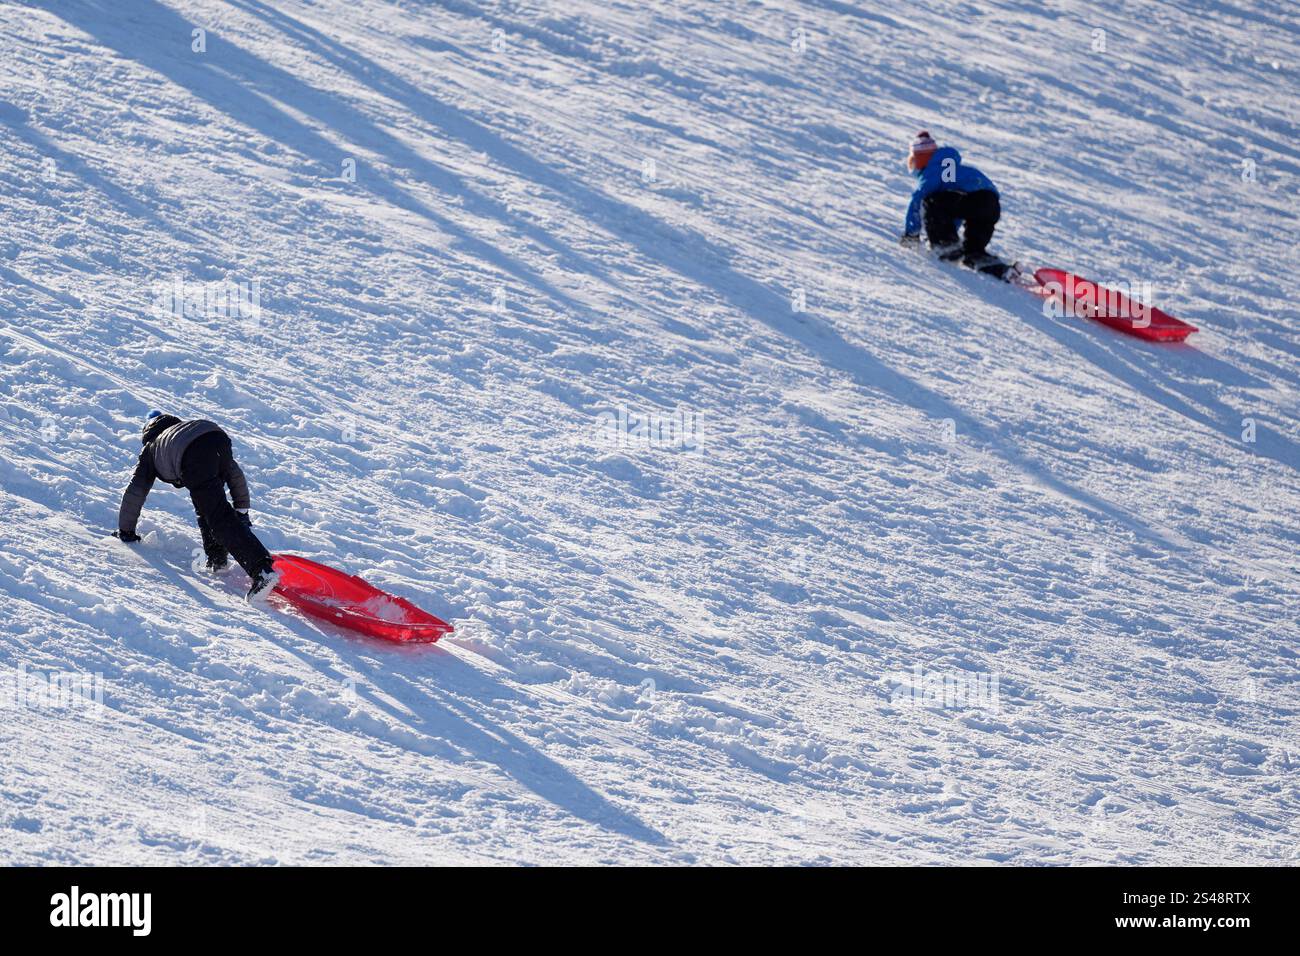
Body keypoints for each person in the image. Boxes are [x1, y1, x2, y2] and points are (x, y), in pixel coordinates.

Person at [114, 411, 280, 602]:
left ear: (148, 430)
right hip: (216, 437)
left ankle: (262, 571)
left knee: (217, 514)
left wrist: (126, 531)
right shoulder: (184, 430)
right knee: (207, 507)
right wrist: (242, 509)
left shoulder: (153, 447)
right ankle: (217, 560)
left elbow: (136, 490)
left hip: (193, 455)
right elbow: (234, 473)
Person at [899, 131, 1003, 270]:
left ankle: (945, 246)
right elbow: (953, 210)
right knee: (972, 242)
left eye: (913, 159)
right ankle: (976, 255)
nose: (912, 164)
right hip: (990, 204)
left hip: (975, 198)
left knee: (930, 201)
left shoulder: (934, 169)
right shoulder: (950, 168)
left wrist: (911, 234)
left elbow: (917, 200)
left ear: (921, 158)